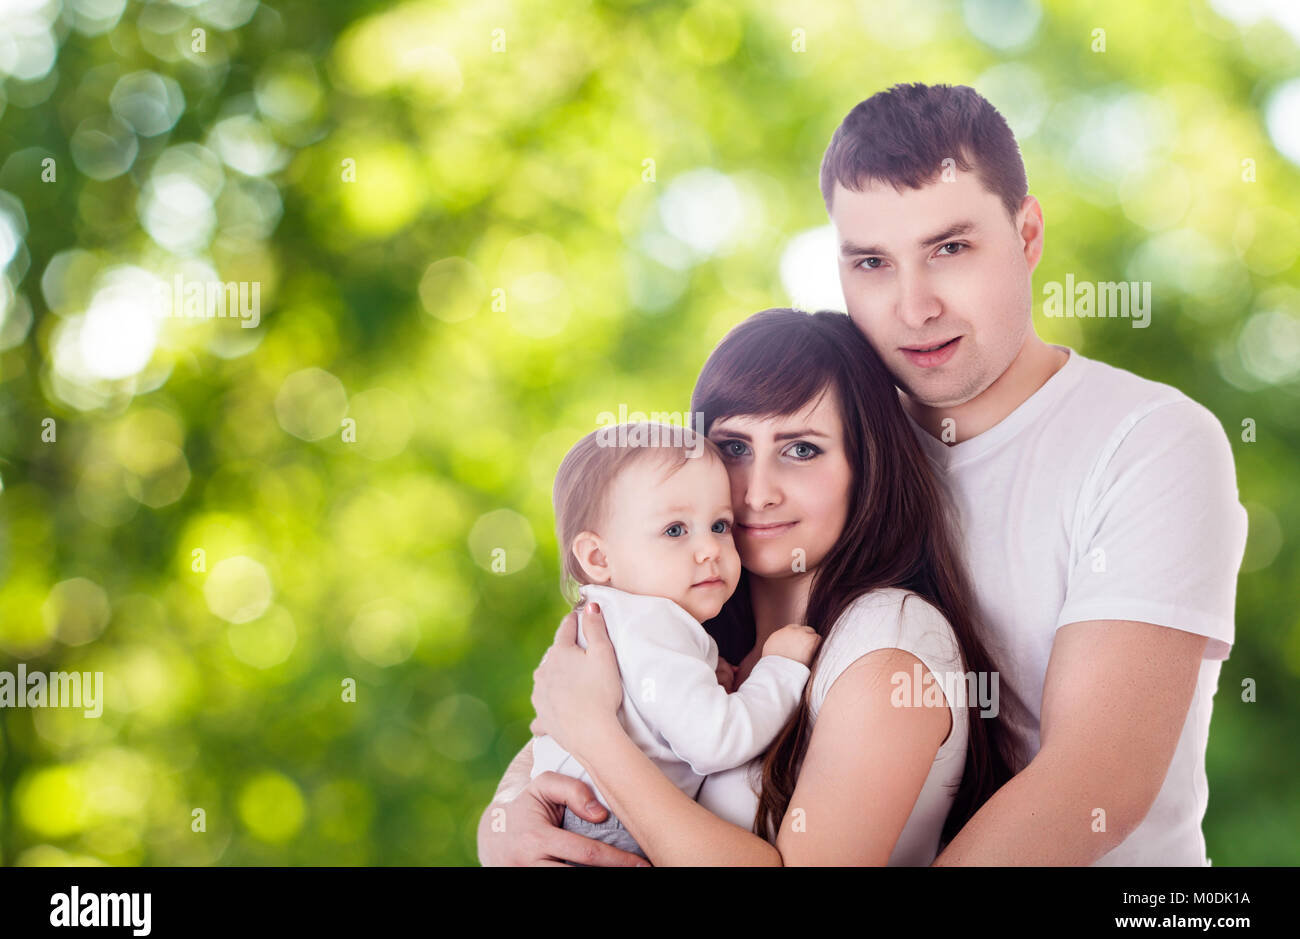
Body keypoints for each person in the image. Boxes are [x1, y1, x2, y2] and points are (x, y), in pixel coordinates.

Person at [481, 81, 1248, 866]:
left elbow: (1097, 778)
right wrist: (514, 810)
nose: (914, 306)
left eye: (950, 249)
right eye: (872, 262)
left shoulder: (1147, 442)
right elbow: (627, 672)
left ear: (1027, 234)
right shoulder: (826, 430)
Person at [486, 308, 1021, 865]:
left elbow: (581, 721)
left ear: (866, 467)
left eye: (801, 449)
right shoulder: (692, 618)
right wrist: (501, 823)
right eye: (735, 448)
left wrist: (594, 736)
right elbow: (553, 737)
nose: (756, 493)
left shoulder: (887, 646)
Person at [530, 422, 817, 863]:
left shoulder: (620, 619)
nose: (710, 549)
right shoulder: (652, 624)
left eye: (720, 525)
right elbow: (716, 741)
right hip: (609, 826)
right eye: (675, 531)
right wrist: (780, 668)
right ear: (598, 558)